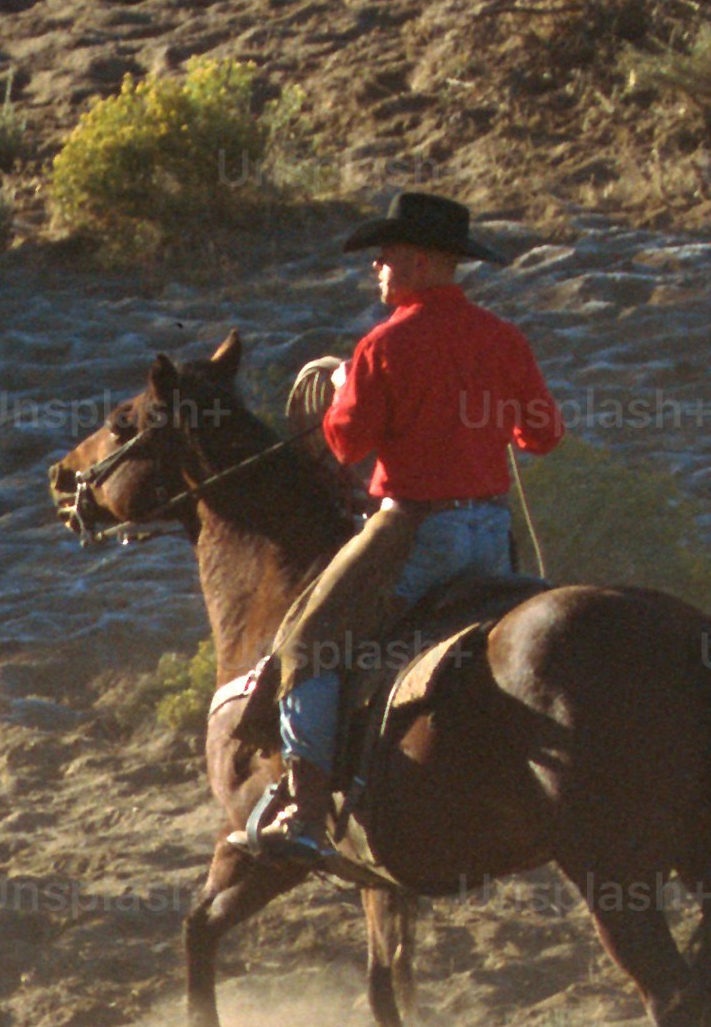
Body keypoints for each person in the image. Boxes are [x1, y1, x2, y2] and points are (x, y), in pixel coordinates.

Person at [230, 190, 563, 869]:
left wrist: (342, 386)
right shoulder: (503, 339)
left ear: (415, 262)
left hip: (414, 531)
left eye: (383, 258)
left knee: (306, 646)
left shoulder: (382, 347)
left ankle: (305, 808)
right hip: (491, 535)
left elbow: (347, 446)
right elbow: (543, 437)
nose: (376, 267)